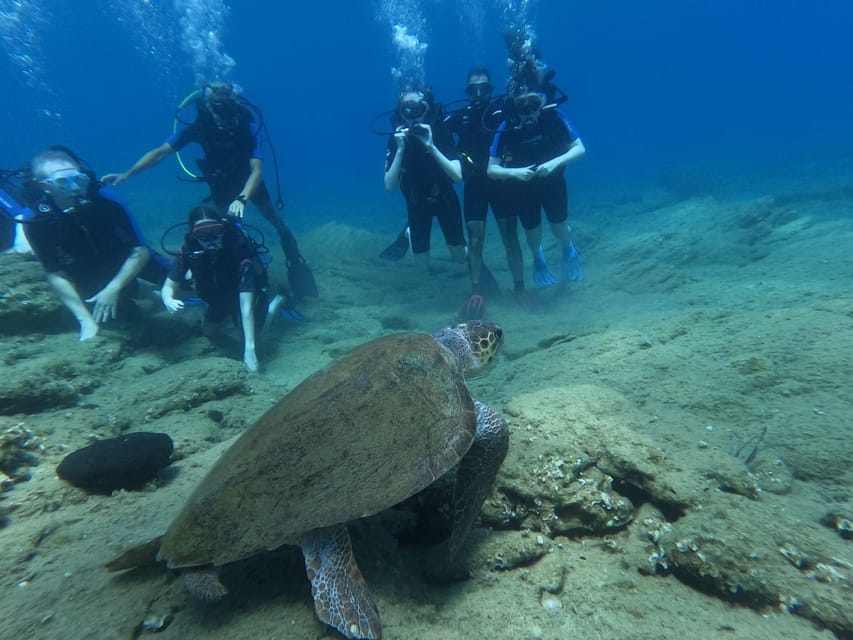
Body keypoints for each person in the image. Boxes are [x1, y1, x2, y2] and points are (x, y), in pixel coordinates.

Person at [102, 82, 317, 301]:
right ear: (207, 104)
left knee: (274, 219)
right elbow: (160, 153)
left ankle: (292, 253)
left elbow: (256, 170)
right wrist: (127, 173)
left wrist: (242, 199)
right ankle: (237, 273)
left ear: (234, 101)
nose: (223, 111)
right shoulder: (198, 127)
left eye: (227, 100)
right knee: (226, 230)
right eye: (217, 102)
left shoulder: (247, 124)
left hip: (248, 183)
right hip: (221, 184)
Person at [21, 146, 168, 340]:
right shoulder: (34, 219)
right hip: (86, 271)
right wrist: (85, 320)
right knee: (122, 317)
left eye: (79, 179)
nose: (74, 188)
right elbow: (54, 272)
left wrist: (113, 288)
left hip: (127, 258)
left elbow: (140, 251)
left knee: (186, 282)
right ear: (44, 185)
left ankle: (149, 292)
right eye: (63, 182)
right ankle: (145, 293)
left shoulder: (107, 200)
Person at [487, 36, 586, 288]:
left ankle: (568, 249)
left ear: (541, 100)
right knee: (533, 234)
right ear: (514, 104)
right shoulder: (506, 125)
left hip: (553, 182)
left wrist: (554, 164)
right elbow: (491, 168)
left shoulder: (553, 116)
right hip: (524, 188)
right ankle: (538, 257)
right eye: (523, 105)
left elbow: (579, 149)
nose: (529, 111)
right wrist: (517, 173)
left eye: (533, 103)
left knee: (560, 227)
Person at [161, 206, 282, 372]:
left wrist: (250, 350)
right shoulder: (187, 251)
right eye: (202, 234)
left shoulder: (238, 251)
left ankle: (275, 303)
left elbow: (245, 307)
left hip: (245, 297)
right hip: (217, 299)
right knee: (208, 333)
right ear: (194, 235)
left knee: (252, 342)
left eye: (215, 231)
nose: (210, 238)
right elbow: (168, 286)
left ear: (223, 229)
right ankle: (228, 319)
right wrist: (167, 299)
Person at [444, 67, 521, 316]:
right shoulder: (459, 116)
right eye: (473, 89)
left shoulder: (501, 111)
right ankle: (476, 289)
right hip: (474, 186)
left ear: (491, 90)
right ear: (467, 92)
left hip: (502, 185)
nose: (478, 94)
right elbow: (436, 129)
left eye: (484, 88)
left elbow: (527, 109)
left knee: (510, 237)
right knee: (475, 240)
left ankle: (519, 287)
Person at [383, 86, 468, 272]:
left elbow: (457, 176)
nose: (413, 116)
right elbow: (390, 186)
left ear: (426, 110)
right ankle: (409, 232)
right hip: (416, 201)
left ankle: (410, 232)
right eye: (407, 110)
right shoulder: (396, 139)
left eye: (418, 109)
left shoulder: (438, 130)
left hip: (444, 197)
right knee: (421, 267)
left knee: (461, 258)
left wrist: (431, 146)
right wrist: (400, 150)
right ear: (401, 114)